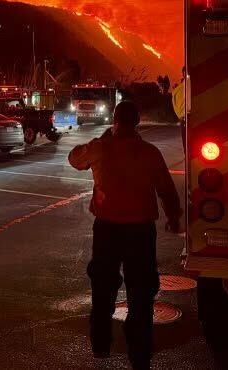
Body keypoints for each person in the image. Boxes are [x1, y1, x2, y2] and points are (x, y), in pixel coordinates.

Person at [68, 100, 182, 369]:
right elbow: (166, 188)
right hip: (140, 231)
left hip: (107, 229)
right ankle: (139, 351)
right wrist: (173, 216)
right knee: (141, 292)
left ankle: (100, 344)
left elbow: (74, 158)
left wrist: (104, 137)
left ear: (115, 121)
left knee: (103, 287)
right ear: (138, 122)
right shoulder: (149, 152)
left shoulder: (100, 148)